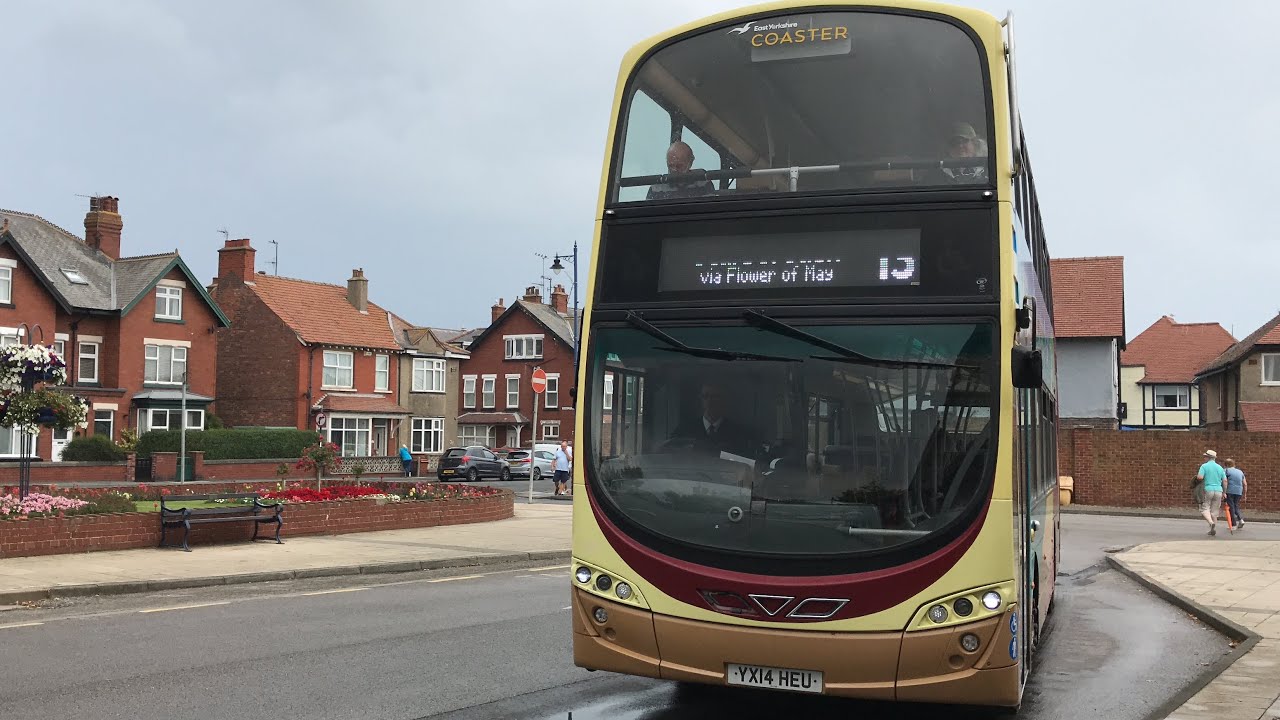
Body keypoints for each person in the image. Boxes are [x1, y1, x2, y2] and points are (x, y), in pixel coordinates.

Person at [670, 382, 756, 457]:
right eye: (705, 396)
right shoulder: (684, 430)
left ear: (724, 400)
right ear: (701, 399)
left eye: (715, 396)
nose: (709, 400)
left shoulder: (738, 433)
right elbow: (670, 454)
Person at [646, 141, 716, 200]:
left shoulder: (703, 183)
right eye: (671, 166)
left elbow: (708, 210)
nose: (674, 170)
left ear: (690, 163)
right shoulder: (656, 188)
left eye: (679, 166)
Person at [1196, 449, 1226, 536]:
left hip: (1207, 489)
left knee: (1204, 508)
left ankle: (1210, 522)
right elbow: (1224, 481)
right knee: (1214, 511)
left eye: (1205, 456)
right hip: (1218, 490)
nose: (1204, 458)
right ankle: (1213, 529)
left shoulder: (1204, 466)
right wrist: (1224, 492)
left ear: (1208, 457)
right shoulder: (1220, 468)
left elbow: (1200, 477)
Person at [1224, 458, 1247, 530]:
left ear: (1226, 465)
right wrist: (1245, 494)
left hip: (1230, 491)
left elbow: (1224, 481)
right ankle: (1241, 520)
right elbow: (1245, 484)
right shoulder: (1240, 472)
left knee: (1231, 507)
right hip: (1239, 491)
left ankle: (1233, 525)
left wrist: (1224, 491)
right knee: (1236, 505)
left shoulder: (1226, 471)